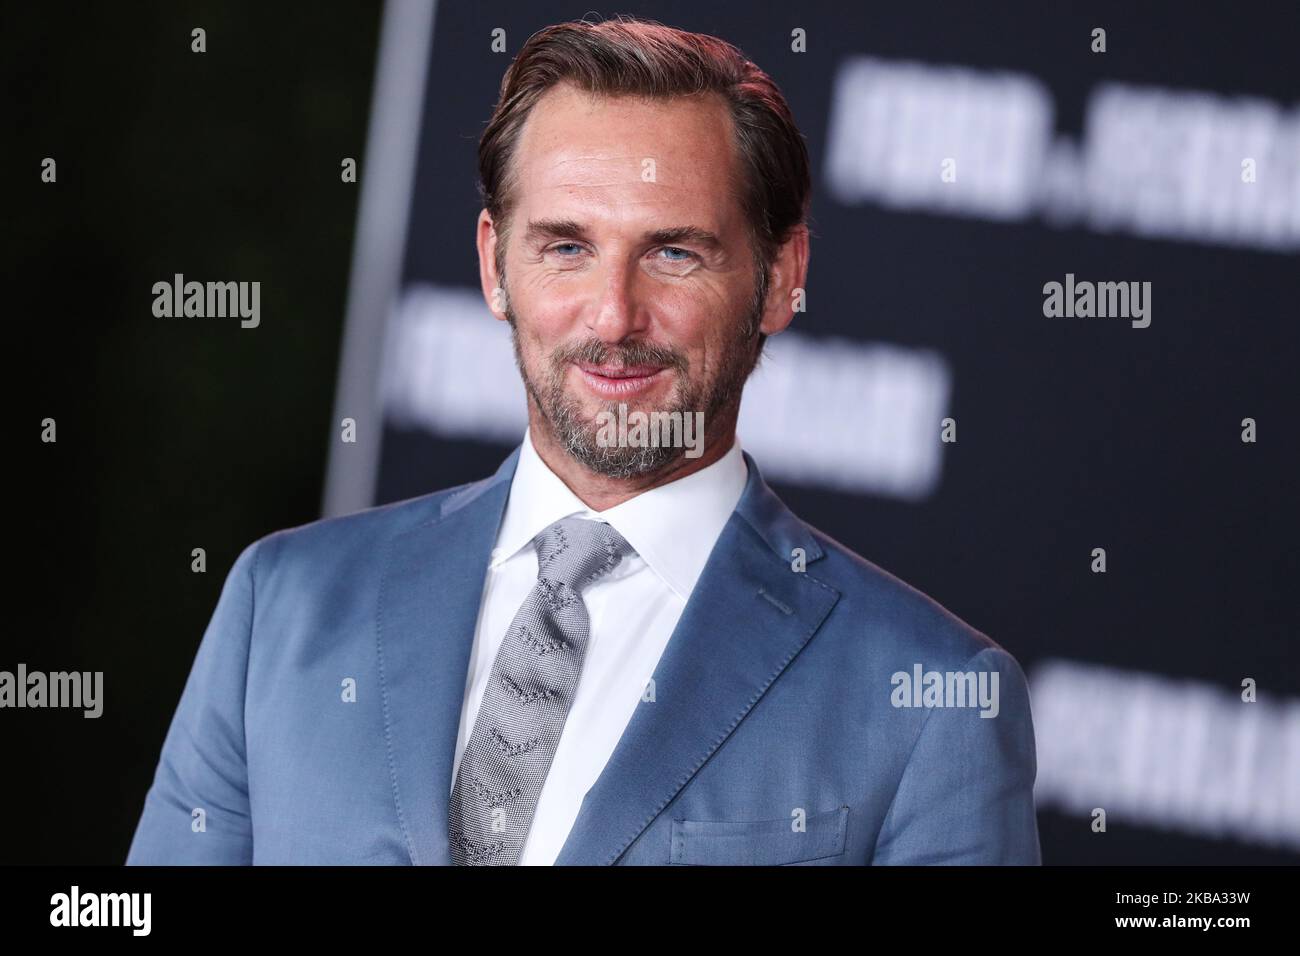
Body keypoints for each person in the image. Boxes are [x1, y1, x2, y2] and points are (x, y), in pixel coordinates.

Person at [127, 16, 1040, 866]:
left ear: (779, 280)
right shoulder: (279, 607)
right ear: (495, 265)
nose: (614, 315)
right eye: (566, 247)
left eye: (674, 252)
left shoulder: (931, 702)